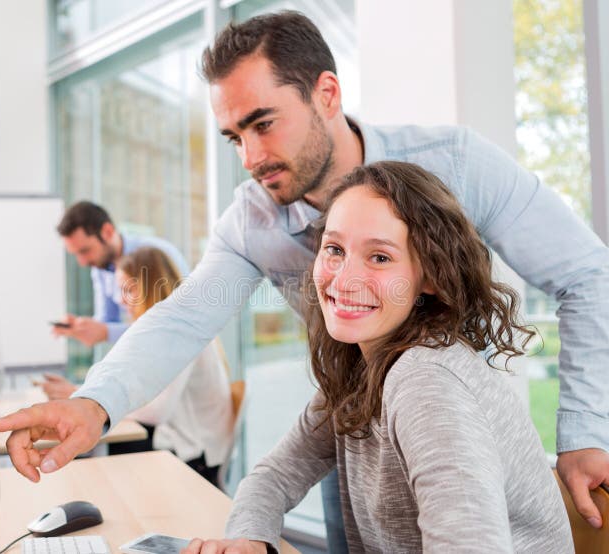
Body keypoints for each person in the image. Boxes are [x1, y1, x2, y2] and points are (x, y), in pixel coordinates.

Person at [0, 10, 609, 541]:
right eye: (232, 137)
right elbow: (186, 316)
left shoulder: (456, 164)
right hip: (362, 443)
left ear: (326, 93)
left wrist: (583, 435)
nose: (249, 157)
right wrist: (93, 403)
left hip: (459, 443)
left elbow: (592, 279)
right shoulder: (256, 222)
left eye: (263, 125)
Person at [185, 161, 574, 553]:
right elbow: (273, 478)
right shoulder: (361, 370)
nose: (345, 279)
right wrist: (249, 540)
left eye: (380, 257)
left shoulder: (427, 381)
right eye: (334, 249)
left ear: (432, 277)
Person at [38, 247, 233, 486]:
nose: (121, 300)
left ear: (150, 288)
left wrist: (87, 400)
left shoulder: (177, 332)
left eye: (129, 289)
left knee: (108, 449)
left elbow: (156, 412)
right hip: (183, 441)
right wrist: (86, 396)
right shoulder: (169, 327)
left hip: (194, 456)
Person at [52, 201, 189, 346]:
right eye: (76, 255)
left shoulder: (154, 256)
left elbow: (167, 327)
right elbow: (107, 322)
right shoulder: (100, 267)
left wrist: (106, 332)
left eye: (85, 251)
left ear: (107, 232)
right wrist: (81, 327)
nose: (83, 262)